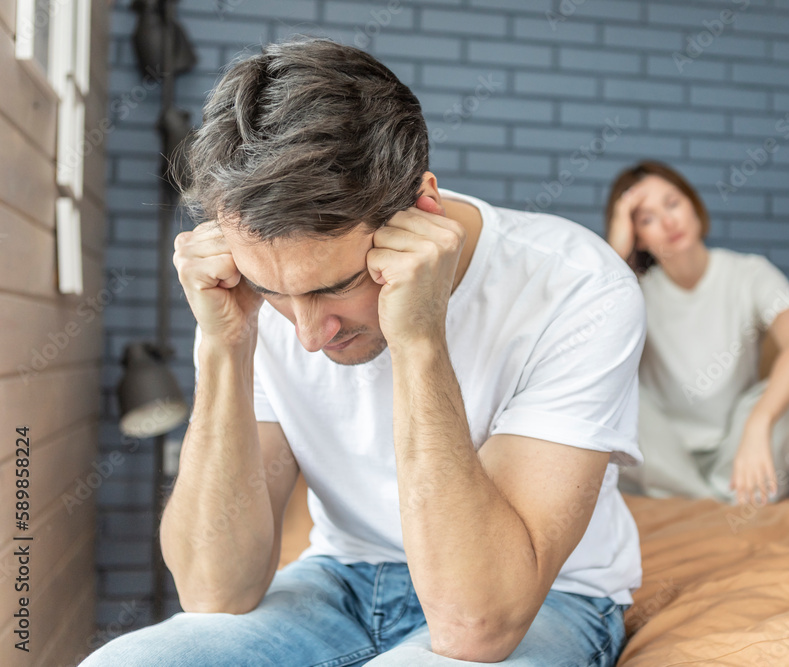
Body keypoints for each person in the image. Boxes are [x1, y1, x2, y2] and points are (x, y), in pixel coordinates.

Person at [81, 39, 646, 666]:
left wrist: (420, 340)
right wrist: (224, 346)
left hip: (545, 598)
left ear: (422, 209)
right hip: (343, 582)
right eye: (274, 292)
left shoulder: (579, 286)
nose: (308, 334)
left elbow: (477, 624)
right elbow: (214, 591)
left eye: (335, 287)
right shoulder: (245, 290)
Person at [604, 160, 789, 507]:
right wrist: (615, 253)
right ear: (638, 237)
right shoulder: (630, 290)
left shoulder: (751, 273)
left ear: (694, 207)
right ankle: (719, 499)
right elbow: (587, 353)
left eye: (672, 203)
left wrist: (759, 424)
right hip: (667, 455)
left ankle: (706, 496)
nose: (668, 222)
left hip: (736, 446)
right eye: (647, 219)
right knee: (615, 396)